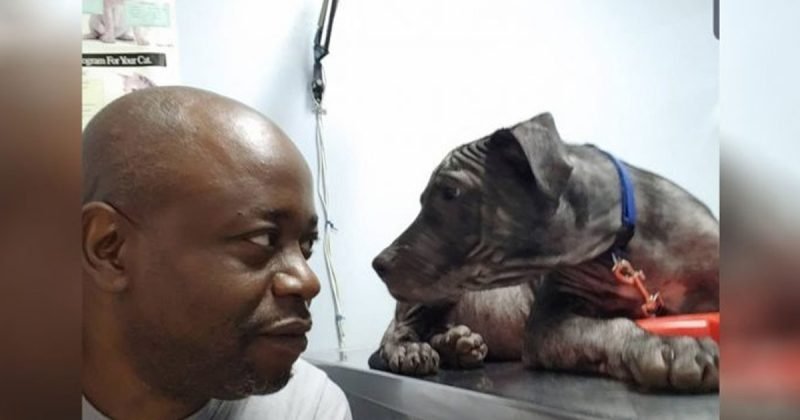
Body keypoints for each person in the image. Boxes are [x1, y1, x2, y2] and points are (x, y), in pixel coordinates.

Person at [81, 86, 352, 420]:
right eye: (263, 239)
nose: (308, 282)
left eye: (306, 247)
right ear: (108, 248)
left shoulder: (306, 408)